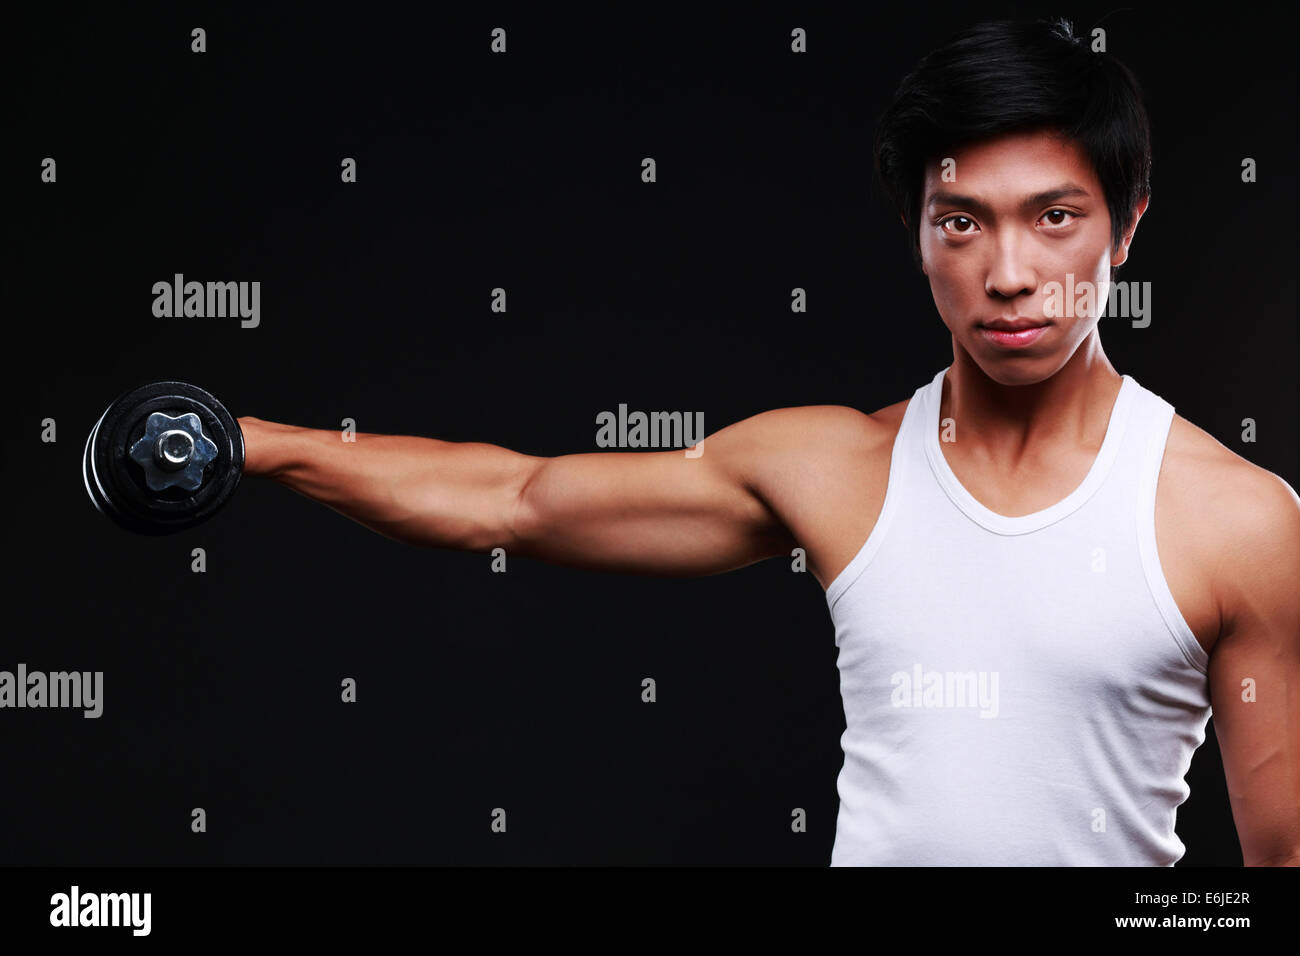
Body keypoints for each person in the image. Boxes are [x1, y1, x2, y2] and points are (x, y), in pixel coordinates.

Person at [236, 18, 1300, 865]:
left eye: (1054, 216)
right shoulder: (830, 470)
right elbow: (512, 499)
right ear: (915, 232)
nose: (1009, 271)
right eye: (962, 219)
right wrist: (250, 443)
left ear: (1125, 226)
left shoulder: (1234, 518)